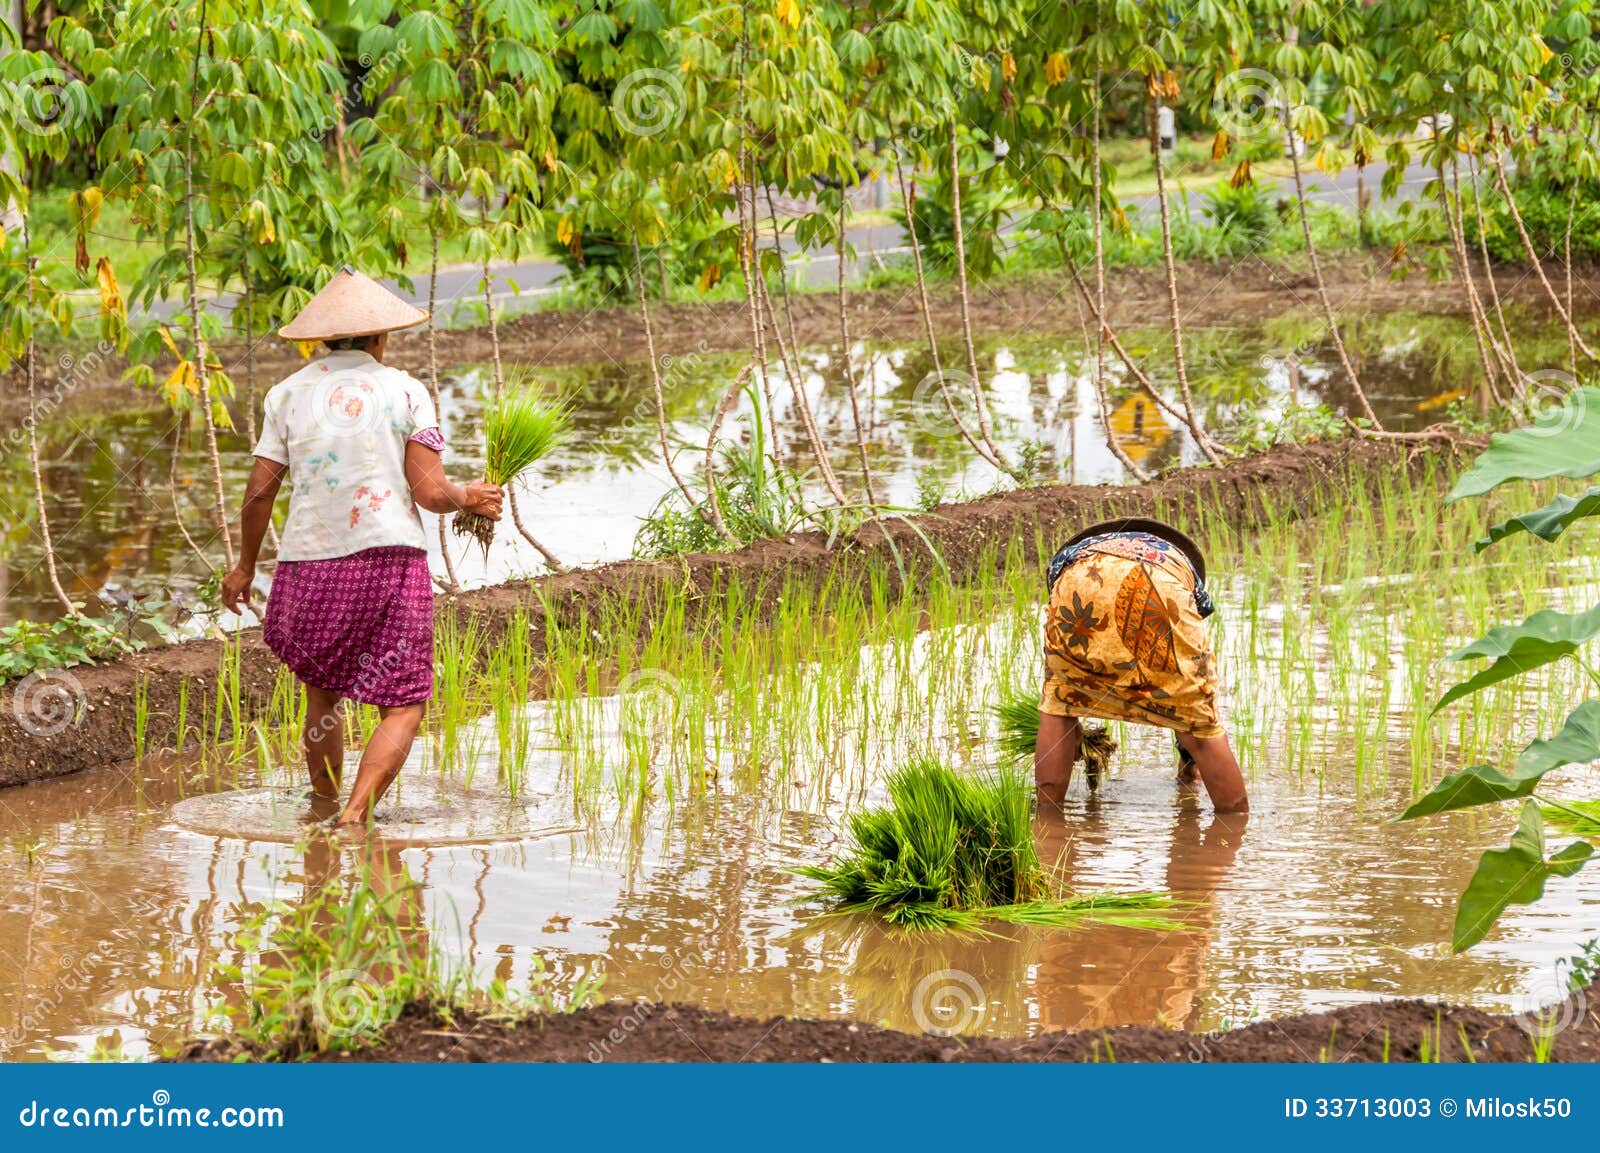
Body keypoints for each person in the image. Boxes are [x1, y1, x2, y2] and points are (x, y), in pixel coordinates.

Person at [220, 267, 503, 827]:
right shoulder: (403, 390)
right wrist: (468, 495)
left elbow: (258, 496)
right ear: (380, 337)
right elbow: (429, 493)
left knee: (322, 699)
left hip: (308, 567)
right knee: (404, 702)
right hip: (388, 561)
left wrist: (244, 567)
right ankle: (354, 815)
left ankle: (323, 807)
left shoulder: (287, 394)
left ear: (323, 338)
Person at [1034, 517, 1248, 813]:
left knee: (1061, 700)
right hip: (1158, 587)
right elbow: (1180, 698)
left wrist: (1075, 727)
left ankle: (1047, 825)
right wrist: (1189, 765)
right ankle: (1234, 827)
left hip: (1077, 580)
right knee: (1197, 720)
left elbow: (1054, 585)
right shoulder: (1174, 561)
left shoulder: (1087, 549)